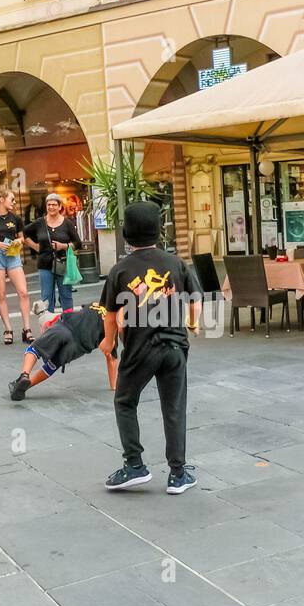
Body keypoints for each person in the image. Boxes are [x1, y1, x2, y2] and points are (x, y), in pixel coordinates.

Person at [99, 201, 203, 494]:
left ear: (126, 234)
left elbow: (109, 314)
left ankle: (134, 465)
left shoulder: (120, 270)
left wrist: (109, 342)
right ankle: (178, 475)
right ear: (159, 231)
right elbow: (195, 301)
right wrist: (192, 324)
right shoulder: (176, 263)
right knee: (174, 407)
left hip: (139, 349)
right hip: (174, 347)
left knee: (125, 400)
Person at [10, 303, 118, 400]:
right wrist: (114, 386)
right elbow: (111, 358)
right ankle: (25, 387)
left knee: (36, 348)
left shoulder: (95, 304)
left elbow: (73, 312)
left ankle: (24, 375)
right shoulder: (113, 329)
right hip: (77, 347)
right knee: (52, 365)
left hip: (66, 326)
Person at [0, 187, 33, 345]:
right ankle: (8, 329)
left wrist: (18, 241)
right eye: (12, 199)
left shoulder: (15, 218)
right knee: (1, 294)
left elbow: (22, 238)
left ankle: (27, 329)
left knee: (23, 292)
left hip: (13, 256)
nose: (14, 202)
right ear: (2, 200)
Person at [26, 193, 83, 313]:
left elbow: (78, 243)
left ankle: (69, 324)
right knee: (46, 298)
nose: (51, 207)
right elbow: (23, 232)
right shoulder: (40, 222)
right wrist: (34, 246)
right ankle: (50, 328)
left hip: (63, 265)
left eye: (54, 204)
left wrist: (64, 246)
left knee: (66, 296)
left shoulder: (67, 223)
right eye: (49, 204)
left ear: (60, 206)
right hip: (44, 265)